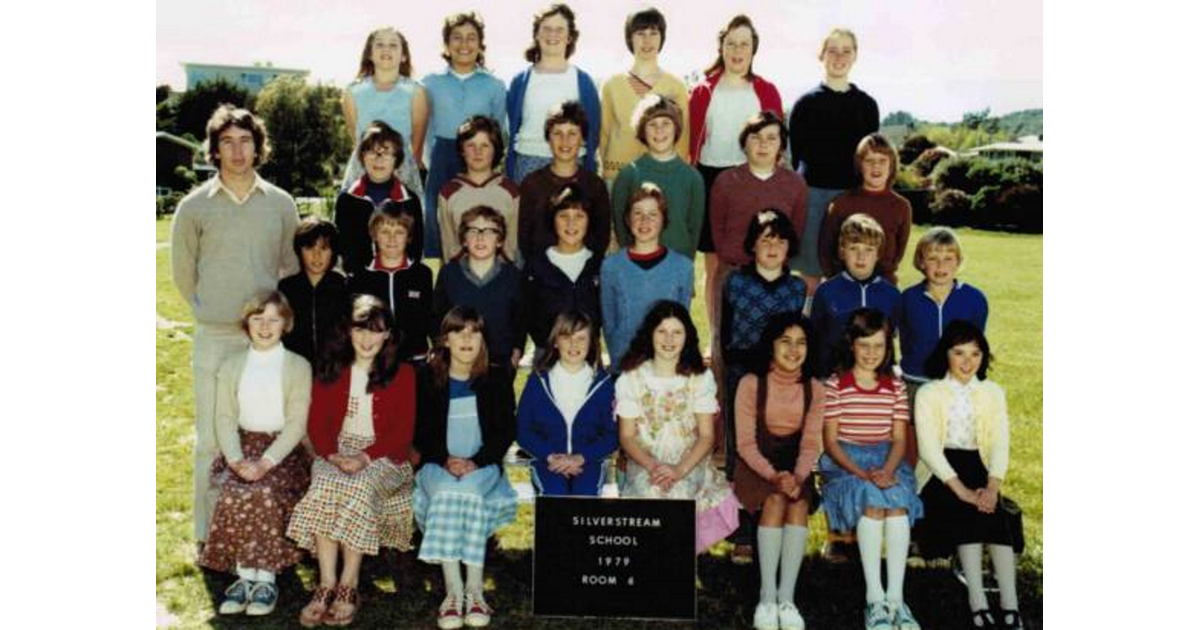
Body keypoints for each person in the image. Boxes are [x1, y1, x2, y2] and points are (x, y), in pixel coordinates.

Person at [171, 104, 300, 546]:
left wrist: (266, 324)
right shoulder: (193, 207)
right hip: (215, 338)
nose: (238, 150)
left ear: (258, 146)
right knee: (211, 439)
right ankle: (208, 535)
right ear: (214, 150)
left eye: (246, 140)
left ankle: (269, 533)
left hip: (265, 341)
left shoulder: (280, 203)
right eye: (227, 142)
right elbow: (183, 275)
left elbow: (289, 267)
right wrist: (214, 310)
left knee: (265, 434)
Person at [287, 295, 419, 627]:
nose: (367, 338)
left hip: (384, 456)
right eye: (360, 329)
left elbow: (401, 434)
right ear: (348, 332)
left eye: (376, 330)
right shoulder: (332, 369)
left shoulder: (403, 374)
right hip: (335, 449)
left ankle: (349, 584)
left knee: (358, 487)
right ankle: (326, 582)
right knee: (326, 484)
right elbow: (317, 424)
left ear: (388, 335)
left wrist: (363, 457)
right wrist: (333, 454)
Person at [199, 292, 313, 618]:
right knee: (235, 490)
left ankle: (265, 579)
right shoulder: (232, 365)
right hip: (243, 447)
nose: (265, 327)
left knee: (263, 490)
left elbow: (296, 423)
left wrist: (266, 462)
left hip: (282, 451)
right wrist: (236, 459)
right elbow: (224, 417)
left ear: (285, 324)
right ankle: (244, 574)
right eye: (257, 319)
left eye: (273, 320)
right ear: (246, 324)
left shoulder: (298, 366)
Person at [818, 308, 923, 630]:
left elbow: (899, 439)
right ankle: (874, 600)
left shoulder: (895, 386)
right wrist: (862, 473)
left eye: (878, 346)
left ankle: (897, 599)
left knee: (897, 507)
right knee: (873, 504)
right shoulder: (837, 385)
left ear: (888, 348)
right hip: (846, 461)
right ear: (851, 344)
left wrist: (888, 471)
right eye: (864, 345)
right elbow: (831, 442)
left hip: (887, 458)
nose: (871, 353)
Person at [914, 321, 1024, 630]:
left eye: (975, 354)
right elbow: (929, 450)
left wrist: (992, 486)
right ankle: (978, 601)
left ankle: (1010, 605)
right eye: (959, 353)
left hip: (979, 465)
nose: (967, 361)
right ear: (945, 354)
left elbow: (1000, 442)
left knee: (995, 513)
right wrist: (963, 491)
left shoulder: (992, 392)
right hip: (940, 473)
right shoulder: (929, 393)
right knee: (966, 510)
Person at [414, 307, 518, 630]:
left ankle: (474, 590)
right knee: (446, 492)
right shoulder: (427, 377)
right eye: (458, 331)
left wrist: (476, 461)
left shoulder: (497, 377)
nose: (467, 338)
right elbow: (419, 431)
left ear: (483, 339)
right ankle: (453, 590)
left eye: (474, 331)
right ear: (445, 339)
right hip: (438, 464)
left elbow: (505, 431)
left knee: (470, 492)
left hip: (481, 466)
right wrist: (445, 459)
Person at [688, 14, 784, 348]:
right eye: (731, 44)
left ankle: (753, 336)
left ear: (753, 49)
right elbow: (691, 145)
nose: (737, 50)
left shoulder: (766, 91)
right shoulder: (703, 90)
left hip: (751, 181)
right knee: (715, 264)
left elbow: (777, 145)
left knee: (752, 261)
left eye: (744, 44)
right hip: (710, 179)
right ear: (722, 47)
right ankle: (716, 340)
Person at [615, 301, 740, 553]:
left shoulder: (699, 378)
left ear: (687, 337)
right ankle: (649, 562)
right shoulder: (632, 377)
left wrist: (679, 470)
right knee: (651, 492)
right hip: (645, 462)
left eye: (677, 332)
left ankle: (678, 566)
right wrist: (654, 466)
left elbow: (706, 436)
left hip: (689, 461)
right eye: (662, 331)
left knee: (680, 494)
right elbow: (627, 437)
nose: (669, 339)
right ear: (650, 334)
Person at [733, 312, 824, 630]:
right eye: (785, 341)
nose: (793, 350)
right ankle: (767, 597)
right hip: (756, 464)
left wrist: (797, 477)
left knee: (797, 503)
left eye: (801, 342)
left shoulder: (815, 388)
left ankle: (787, 598)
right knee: (774, 501)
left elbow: (810, 444)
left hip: (796, 464)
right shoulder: (751, 383)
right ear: (771, 345)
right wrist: (774, 477)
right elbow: (745, 444)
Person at [789, 28, 880, 289]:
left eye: (846, 51)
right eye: (833, 51)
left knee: (847, 275)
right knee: (810, 274)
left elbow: (870, 158)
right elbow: (797, 157)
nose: (839, 57)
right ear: (822, 55)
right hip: (813, 198)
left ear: (855, 56)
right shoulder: (805, 104)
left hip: (853, 198)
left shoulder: (867, 106)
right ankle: (808, 317)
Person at [719, 209, 807, 480]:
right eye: (766, 240)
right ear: (753, 244)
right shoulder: (735, 282)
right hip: (742, 368)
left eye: (780, 241)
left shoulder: (796, 287)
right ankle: (737, 487)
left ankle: (780, 483)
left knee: (777, 435)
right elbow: (726, 331)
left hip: (781, 375)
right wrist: (733, 364)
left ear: (789, 247)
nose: (772, 248)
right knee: (741, 434)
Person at [421, 11, 508, 260]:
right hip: (441, 159)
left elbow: (499, 131)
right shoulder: (430, 83)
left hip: (479, 161)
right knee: (436, 221)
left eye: (471, 37)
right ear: (446, 44)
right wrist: (432, 161)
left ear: (480, 44)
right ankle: (437, 277)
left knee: (476, 220)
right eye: (457, 37)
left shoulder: (494, 85)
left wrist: (486, 164)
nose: (464, 44)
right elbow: (424, 128)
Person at [516, 311, 617, 496]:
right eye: (566, 337)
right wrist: (550, 456)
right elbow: (523, 430)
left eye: (581, 338)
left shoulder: (603, 384)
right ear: (555, 342)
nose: (574, 344)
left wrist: (581, 457)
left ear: (591, 343)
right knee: (554, 492)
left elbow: (612, 434)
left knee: (585, 493)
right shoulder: (538, 381)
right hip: (547, 460)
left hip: (589, 460)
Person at [506, 3, 601, 184]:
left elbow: (593, 131)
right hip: (529, 163)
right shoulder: (520, 81)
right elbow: (512, 125)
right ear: (536, 34)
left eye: (559, 29)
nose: (552, 35)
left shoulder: (583, 82)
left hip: (571, 164)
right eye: (546, 29)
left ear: (569, 37)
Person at [600, 183, 693, 366]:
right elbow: (609, 321)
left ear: (664, 220)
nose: (644, 221)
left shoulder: (682, 267)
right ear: (628, 219)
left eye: (653, 214)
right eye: (638, 213)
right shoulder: (612, 266)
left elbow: (682, 322)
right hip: (625, 363)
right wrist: (620, 359)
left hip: (666, 365)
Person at [598, 7, 690, 182]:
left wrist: (675, 176)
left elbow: (683, 138)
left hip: (662, 177)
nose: (647, 40)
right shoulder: (611, 84)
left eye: (653, 33)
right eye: (640, 33)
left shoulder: (676, 86)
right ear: (629, 38)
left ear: (662, 38)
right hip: (617, 175)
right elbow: (604, 134)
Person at [431, 206, 525, 374]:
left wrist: (517, 350)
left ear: (499, 240)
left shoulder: (513, 276)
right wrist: (441, 350)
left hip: (499, 362)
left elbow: (520, 319)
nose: (480, 238)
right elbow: (437, 316)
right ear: (464, 240)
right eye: (473, 231)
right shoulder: (449, 274)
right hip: (458, 362)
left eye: (489, 231)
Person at [611, 94, 705, 260]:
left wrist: (685, 264)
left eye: (666, 123)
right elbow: (621, 227)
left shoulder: (692, 178)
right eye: (652, 124)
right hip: (638, 264)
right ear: (642, 130)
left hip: (678, 264)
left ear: (676, 128)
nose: (659, 130)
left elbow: (694, 229)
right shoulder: (629, 175)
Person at [898, 227, 989, 397]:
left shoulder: (975, 299)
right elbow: (905, 338)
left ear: (958, 262)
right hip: (916, 381)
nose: (941, 266)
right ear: (921, 262)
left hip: (957, 384)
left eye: (948, 258)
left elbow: (977, 346)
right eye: (933, 259)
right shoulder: (908, 298)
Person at [517, 101, 612, 261]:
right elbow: (525, 239)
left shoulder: (595, 185)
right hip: (541, 271)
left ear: (582, 139)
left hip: (584, 271)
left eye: (572, 133)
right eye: (557, 133)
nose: (565, 140)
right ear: (548, 138)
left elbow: (601, 238)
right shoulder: (532, 184)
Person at [811, 214, 902, 379]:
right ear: (842, 251)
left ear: (878, 254)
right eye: (854, 248)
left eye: (869, 249)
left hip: (877, 381)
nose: (861, 256)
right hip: (833, 379)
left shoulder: (892, 295)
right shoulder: (825, 292)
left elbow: (891, 340)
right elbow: (815, 339)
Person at [520, 183, 603, 363]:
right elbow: (525, 313)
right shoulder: (536, 266)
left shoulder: (599, 266)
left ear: (589, 220)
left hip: (588, 357)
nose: (571, 223)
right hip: (547, 356)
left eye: (579, 216)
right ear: (552, 219)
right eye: (563, 216)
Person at [341, 26, 428, 197]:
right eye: (379, 44)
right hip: (364, 169)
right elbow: (356, 138)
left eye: (393, 45)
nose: (386, 49)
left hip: (401, 169)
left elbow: (417, 145)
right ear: (369, 54)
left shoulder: (416, 91)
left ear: (403, 56)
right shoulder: (353, 91)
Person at [817, 133, 912, 284]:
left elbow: (897, 255)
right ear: (860, 165)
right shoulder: (840, 203)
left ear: (892, 165)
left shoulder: (901, 206)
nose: (876, 166)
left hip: (883, 285)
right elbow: (825, 252)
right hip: (845, 285)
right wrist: (839, 283)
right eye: (869, 160)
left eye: (882, 160)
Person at [347, 201, 433, 363]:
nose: (392, 239)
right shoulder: (360, 277)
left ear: (409, 236)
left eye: (399, 232)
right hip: (373, 361)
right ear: (374, 235)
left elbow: (430, 319)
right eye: (385, 232)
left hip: (415, 360)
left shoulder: (422, 274)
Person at [335, 120, 424, 277]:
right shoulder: (347, 200)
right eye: (372, 152)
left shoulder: (409, 200)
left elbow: (415, 249)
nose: (379, 159)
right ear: (362, 157)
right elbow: (343, 248)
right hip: (360, 281)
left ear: (397, 159)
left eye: (386, 153)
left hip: (399, 279)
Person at [437, 116, 520, 263]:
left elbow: (512, 243)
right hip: (461, 272)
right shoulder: (449, 192)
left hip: (501, 271)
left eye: (485, 146)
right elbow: (448, 243)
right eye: (471, 145)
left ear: (495, 150)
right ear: (462, 150)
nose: (478, 151)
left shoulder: (510, 190)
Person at [278, 217, 348, 364]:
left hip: (336, 369)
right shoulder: (286, 288)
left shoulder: (345, 286)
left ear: (333, 251)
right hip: (296, 368)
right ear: (299, 251)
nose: (317, 256)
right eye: (309, 248)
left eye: (324, 248)